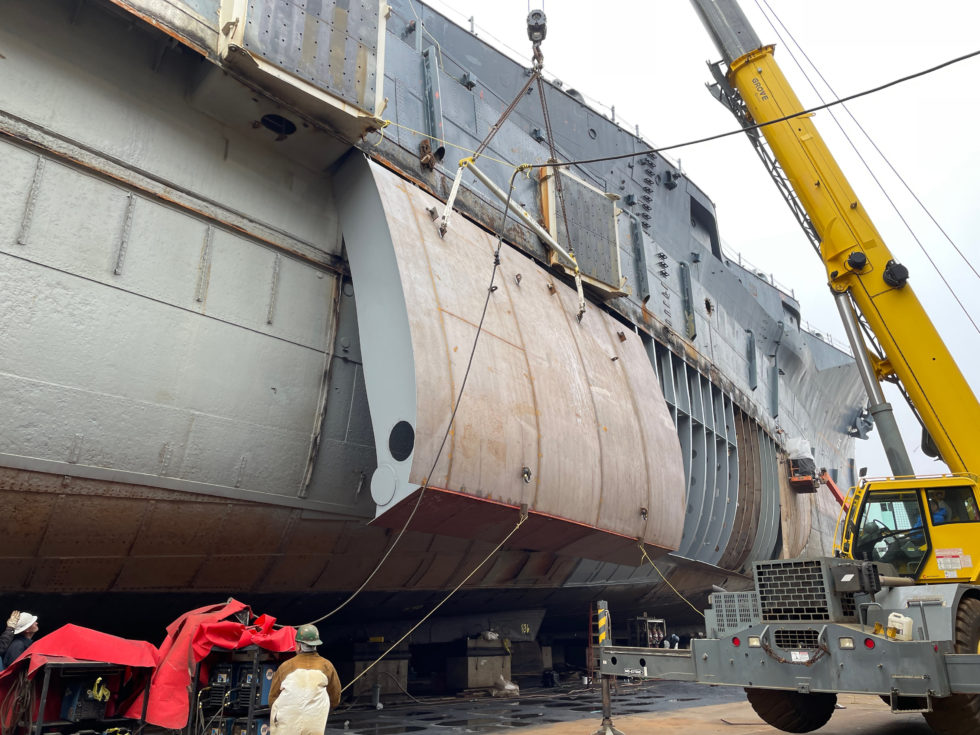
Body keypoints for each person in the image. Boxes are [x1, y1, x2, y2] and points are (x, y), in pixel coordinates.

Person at [268, 624, 341, 735]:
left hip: (287, 727)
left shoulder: (286, 666)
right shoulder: (327, 666)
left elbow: (273, 698)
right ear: (316, 645)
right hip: (314, 725)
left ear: (299, 646)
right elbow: (335, 698)